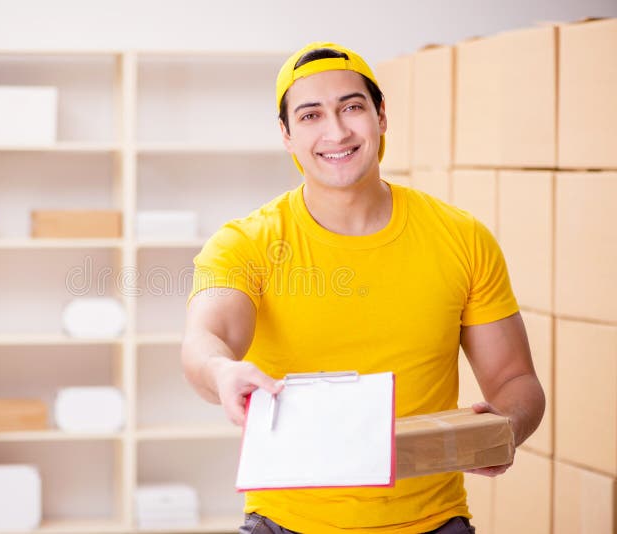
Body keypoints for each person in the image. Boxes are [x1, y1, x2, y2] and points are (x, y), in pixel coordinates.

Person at [181, 42, 545, 534]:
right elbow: (206, 337)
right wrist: (221, 371)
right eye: (310, 116)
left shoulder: (462, 237)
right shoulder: (245, 243)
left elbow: (516, 382)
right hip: (287, 524)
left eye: (351, 107)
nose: (336, 131)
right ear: (286, 136)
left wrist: (504, 428)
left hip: (434, 522)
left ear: (381, 117)